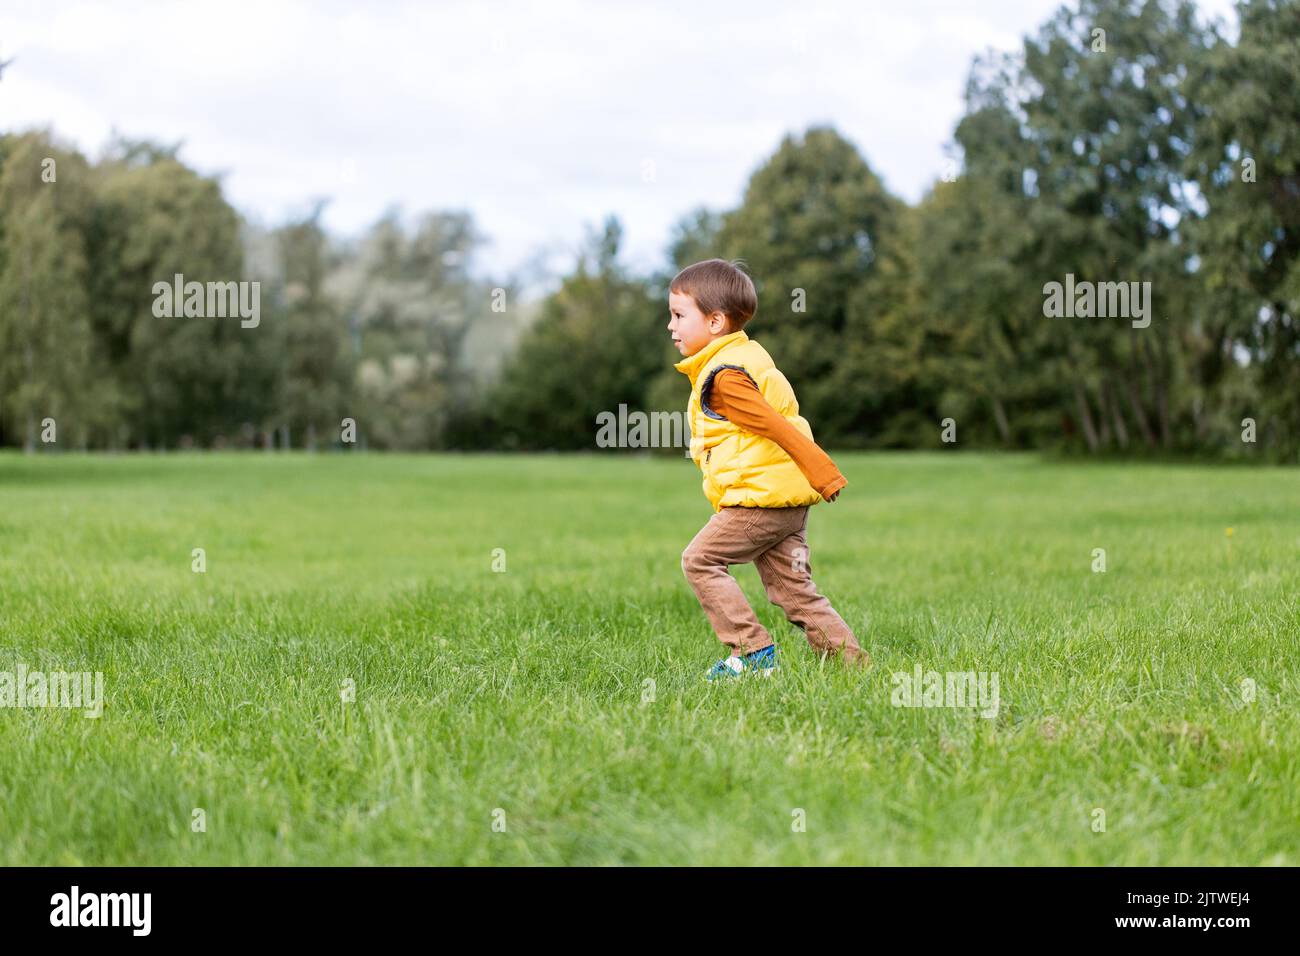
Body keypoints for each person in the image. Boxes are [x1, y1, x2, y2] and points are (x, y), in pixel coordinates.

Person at [668, 259, 869, 679]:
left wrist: (824, 471)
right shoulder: (742, 355)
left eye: (679, 315)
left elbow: (776, 426)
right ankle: (852, 668)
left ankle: (752, 652)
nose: (671, 326)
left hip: (758, 500)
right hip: (784, 499)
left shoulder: (724, 377)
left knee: (699, 560)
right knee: (793, 590)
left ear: (716, 321)